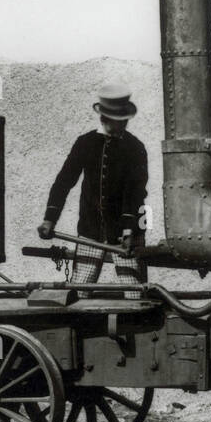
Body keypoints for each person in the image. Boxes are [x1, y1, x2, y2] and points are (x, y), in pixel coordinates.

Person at [37, 83, 148, 297]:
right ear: (105, 118)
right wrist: (50, 219)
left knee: (135, 294)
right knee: (79, 292)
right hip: (90, 231)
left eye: (125, 118)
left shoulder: (135, 148)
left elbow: (136, 192)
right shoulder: (85, 144)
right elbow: (63, 182)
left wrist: (129, 230)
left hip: (127, 233)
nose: (124, 122)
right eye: (120, 119)